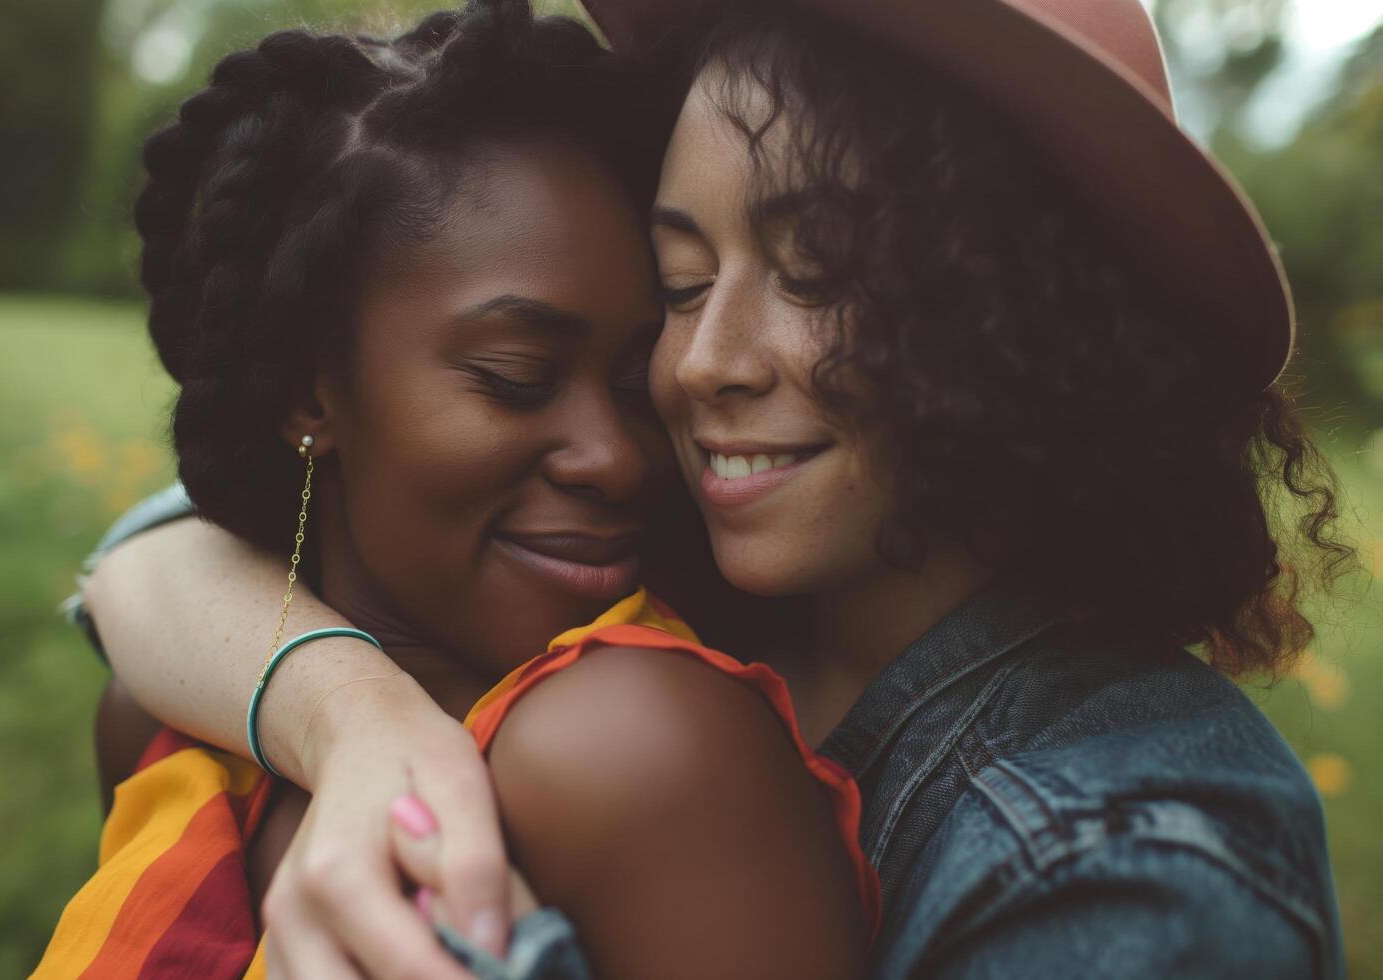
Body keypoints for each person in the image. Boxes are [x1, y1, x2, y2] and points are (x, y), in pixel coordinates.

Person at [77, 0, 1349, 976]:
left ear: (1020, 309)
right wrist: (351, 719)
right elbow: (157, 551)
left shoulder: (1128, 854)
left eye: (818, 270)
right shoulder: (678, 563)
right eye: (682, 286)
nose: (701, 366)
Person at [34, 4, 879, 979]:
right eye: (517, 377)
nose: (618, 456)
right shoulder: (164, 722)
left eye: (633, 373)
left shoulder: (638, 748)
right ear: (310, 389)